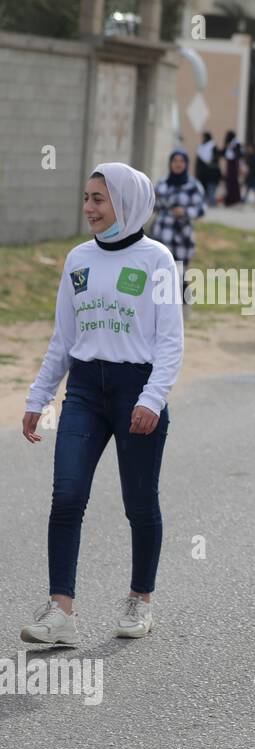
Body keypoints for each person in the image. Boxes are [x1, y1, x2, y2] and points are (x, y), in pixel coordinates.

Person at [20, 163, 183, 644]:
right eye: (87, 198)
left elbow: (171, 342)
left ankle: (140, 599)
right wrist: (39, 395)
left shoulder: (158, 260)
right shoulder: (77, 259)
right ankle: (60, 612)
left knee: (139, 503)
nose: (88, 207)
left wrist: (153, 398)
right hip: (86, 391)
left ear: (125, 203)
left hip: (138, 391)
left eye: (98, 198)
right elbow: (64, 339)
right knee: (67, 496)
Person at [152, 150, 205, 321]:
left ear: (186, 164)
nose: (178, 164)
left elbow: (200, 210)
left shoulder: (193, 186)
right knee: (161, 274)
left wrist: (184, 211)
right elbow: (153, 205)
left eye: (181, 161)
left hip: (182, 238)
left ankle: (183, 312)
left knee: (180, 274)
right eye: (174, 160)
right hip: (162, 235)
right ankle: (162, 313)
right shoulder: (162, 184)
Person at [196, 131, 219, 206]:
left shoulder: (213, 146)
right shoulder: (201, 146)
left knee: (210, 188)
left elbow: (215, 159)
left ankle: (211, 202)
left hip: (210, 171)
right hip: (202, 171)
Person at [221, 130, 242, 207]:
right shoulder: (228, 143)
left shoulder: (237, 143)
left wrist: (232, 148)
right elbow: (223, 153)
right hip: (229, 163)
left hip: (234, 164)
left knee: (233, 182)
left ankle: (235, 199)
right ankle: (229, 200)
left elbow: (239, 154)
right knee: (229, 182)